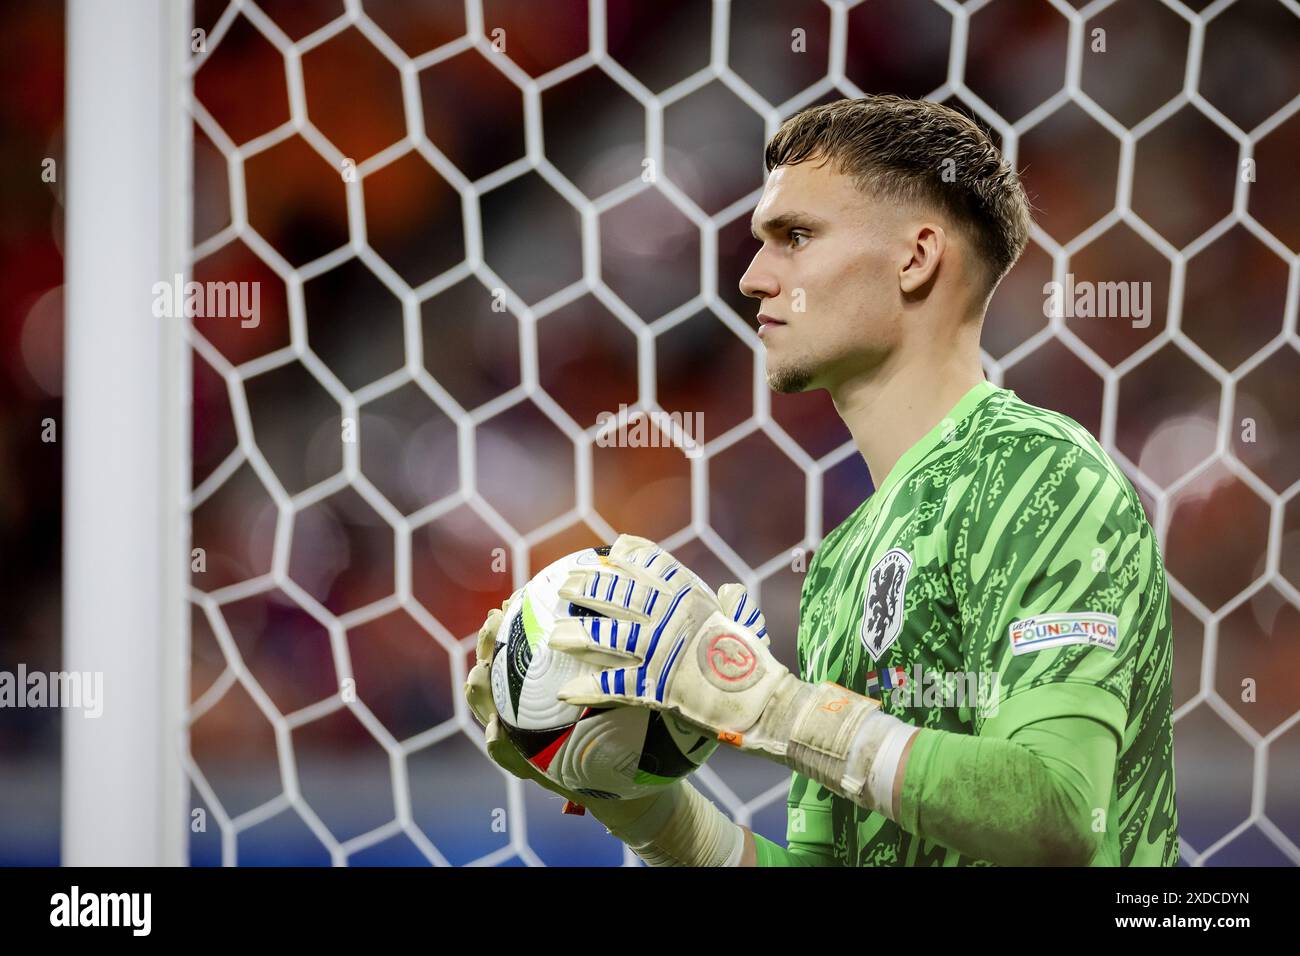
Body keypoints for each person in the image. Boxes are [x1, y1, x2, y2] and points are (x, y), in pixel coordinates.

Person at [465, 95, 1179, 867]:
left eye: (795, 237)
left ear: (916, 258)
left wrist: (774, 706)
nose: (751, 278)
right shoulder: (840, 565)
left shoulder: (1041, 473)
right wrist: (646, 812)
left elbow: (1063, 811)